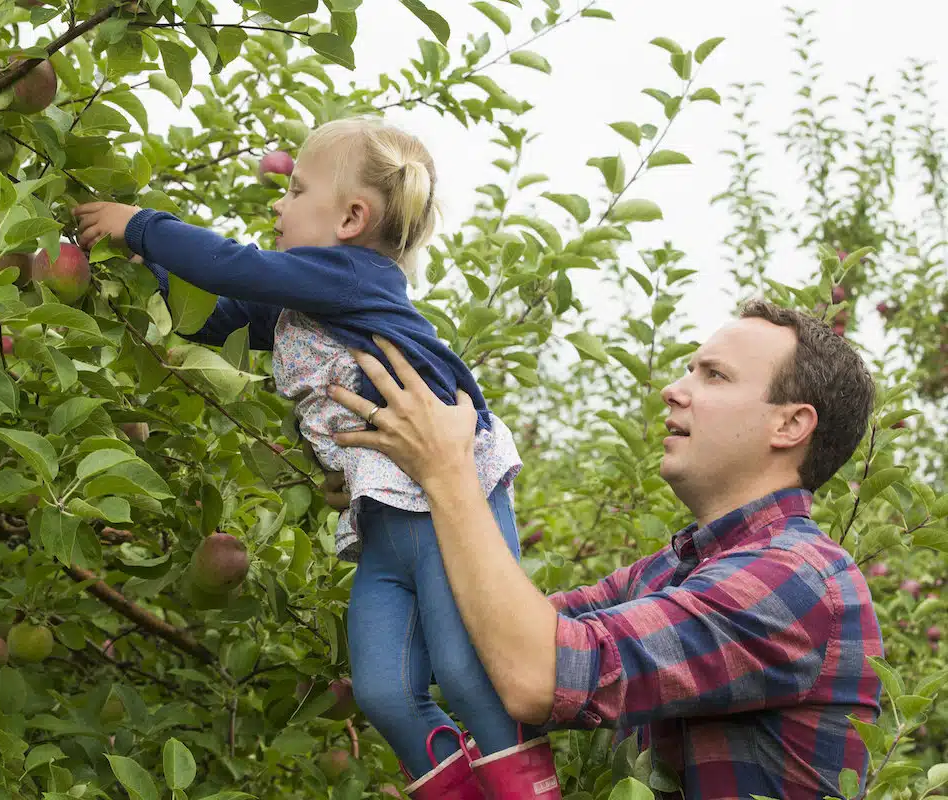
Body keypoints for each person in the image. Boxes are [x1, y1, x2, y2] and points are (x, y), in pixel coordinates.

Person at [71, 117, 530, 797]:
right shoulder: (302, 308)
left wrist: (140, 224)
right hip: (381, 522)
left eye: (297, 190)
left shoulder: (352, 277)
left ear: (351, 218)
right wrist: (135, 272)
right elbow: (203, 314)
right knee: (382, 691)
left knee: (468, 670)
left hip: (448, 502)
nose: (278, 206)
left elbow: (233, 264)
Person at [326, 301, 885, 800]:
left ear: (789, 424)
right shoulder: (678, 570)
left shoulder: (797, 579)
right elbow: (492, 637)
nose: (676, 388)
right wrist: (398, 496)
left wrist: (448, 472)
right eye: (689, 367)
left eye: (714, 375)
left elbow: (535, 673)